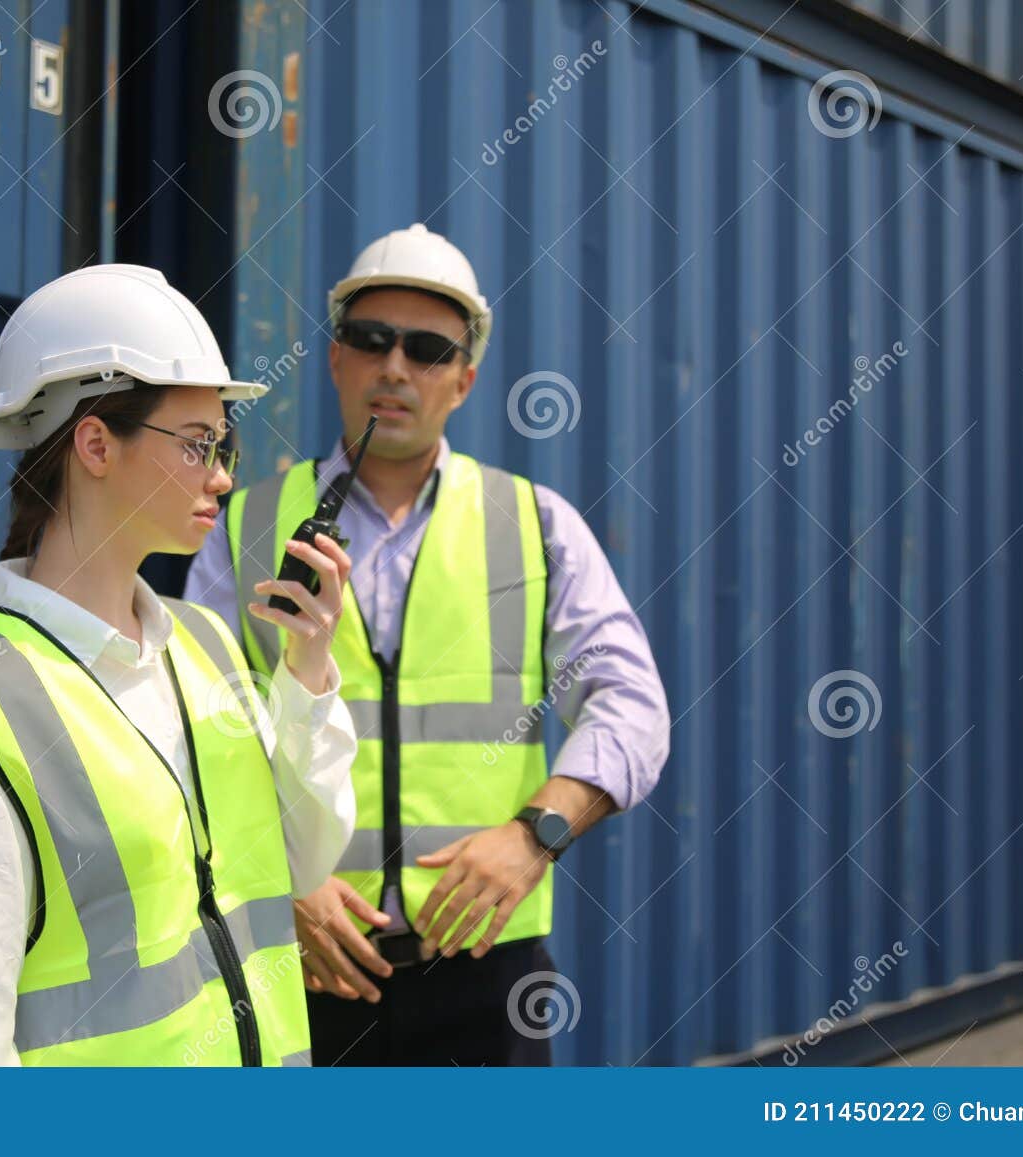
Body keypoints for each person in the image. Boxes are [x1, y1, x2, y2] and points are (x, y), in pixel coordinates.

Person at [184, 223, 672, 1066]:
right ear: (336, 358)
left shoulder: (535, 524)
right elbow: (193, 730)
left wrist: (533, 836)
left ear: (464, 378)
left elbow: (634, 706)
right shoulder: (246, 524)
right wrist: (279, 884)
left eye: (427, 347)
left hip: (487, 981)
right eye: (371, 340)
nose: (395, 367)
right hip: (304, 967)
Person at [0, 264, 359, 1066]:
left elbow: (303, 859)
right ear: (95, 443)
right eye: (199, 444)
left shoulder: (203, 643)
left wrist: (306, 671)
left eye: (225, 444)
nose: (225, 475)